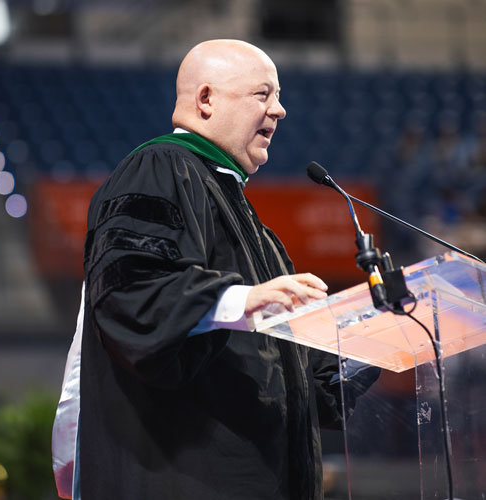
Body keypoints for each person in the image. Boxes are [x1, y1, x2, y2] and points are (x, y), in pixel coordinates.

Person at [54, 39, 352, 500]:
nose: (281, 110)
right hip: (183, 478)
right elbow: (130, 292)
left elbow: (295, 378)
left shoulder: (248, 221)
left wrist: (365, 335)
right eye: (263, 94)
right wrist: (238, 299)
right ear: (206, 99)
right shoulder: (159, 168)